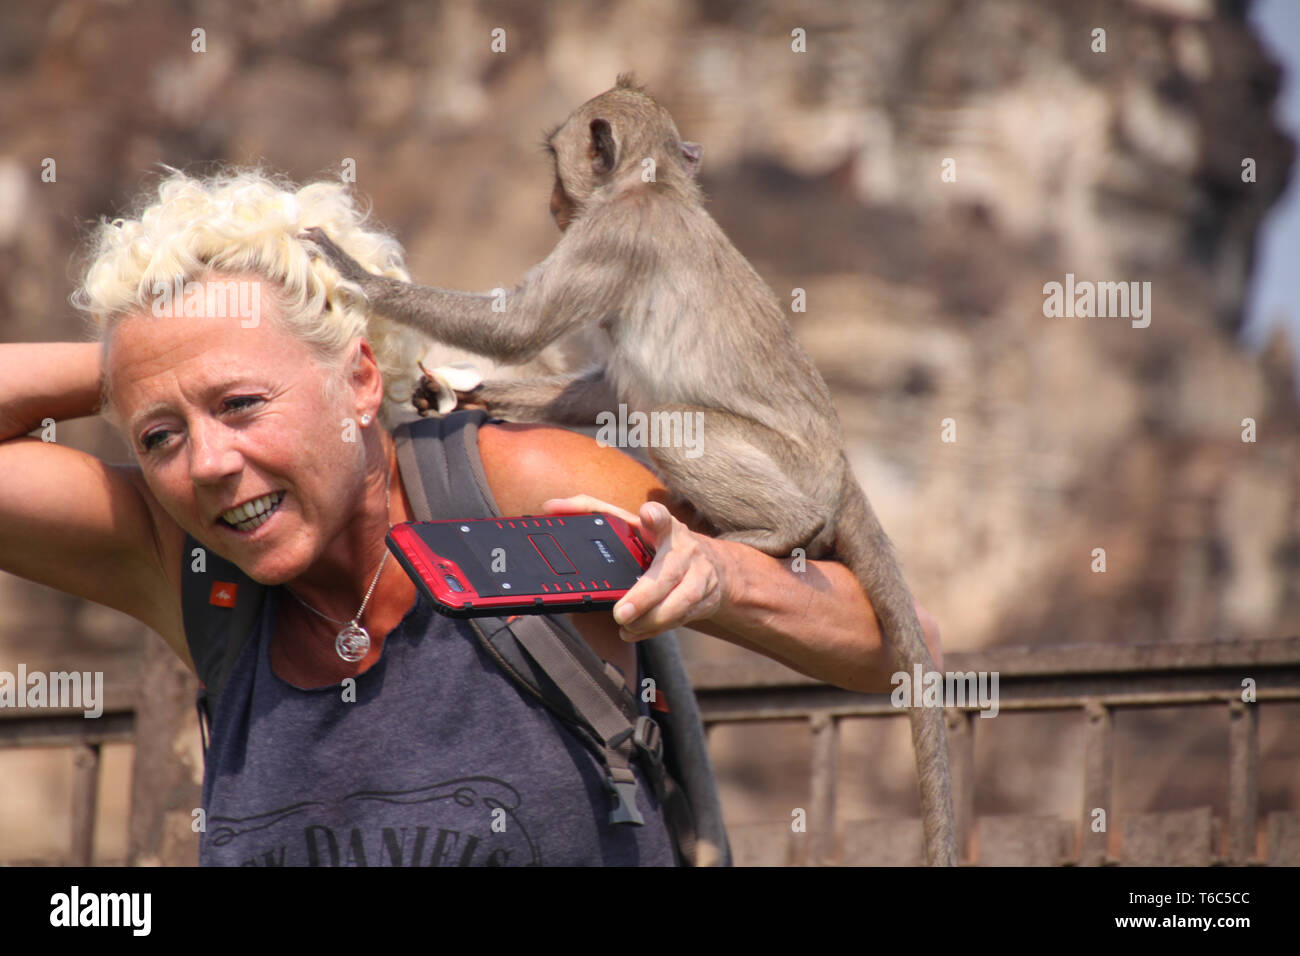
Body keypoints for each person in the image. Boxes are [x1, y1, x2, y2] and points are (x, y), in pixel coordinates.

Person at [0, 168, 941, 866]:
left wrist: (724, 577)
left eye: (244, 406)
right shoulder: (191, 569)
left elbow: (904, 644)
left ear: (362, 377)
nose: (206, 464)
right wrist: (151, 357)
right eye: (160, 437)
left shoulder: (515, 488)